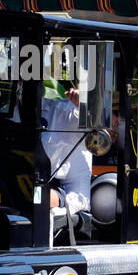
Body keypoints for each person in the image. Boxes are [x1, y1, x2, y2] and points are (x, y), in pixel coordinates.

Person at [40, 85, 91, 213]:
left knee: (38, 197)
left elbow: (99, 135)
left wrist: (84, 106)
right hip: (15, 187)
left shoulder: (64, 111)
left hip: (62, 192)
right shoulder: (8, 112)